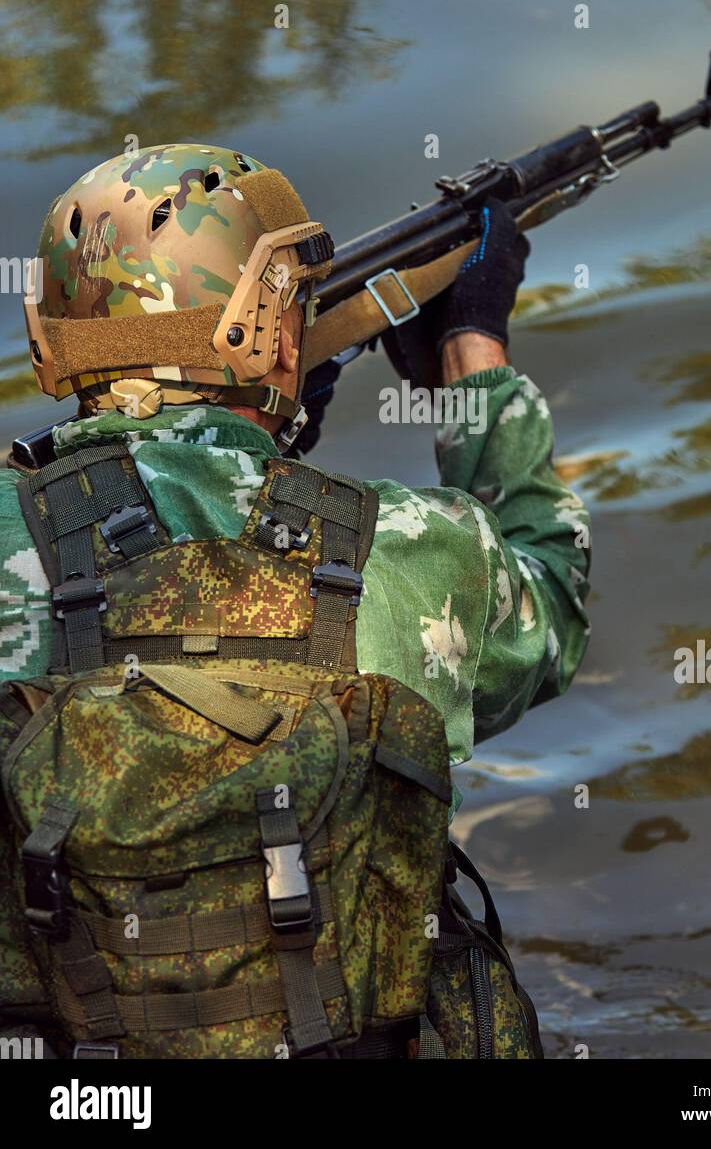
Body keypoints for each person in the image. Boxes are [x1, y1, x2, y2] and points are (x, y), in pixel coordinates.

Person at [0, 144, 591, 1059]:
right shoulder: (410, 548)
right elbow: (551, 597)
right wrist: (474, 355)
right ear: (279, 336)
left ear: (49, 341)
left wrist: (269, 427)